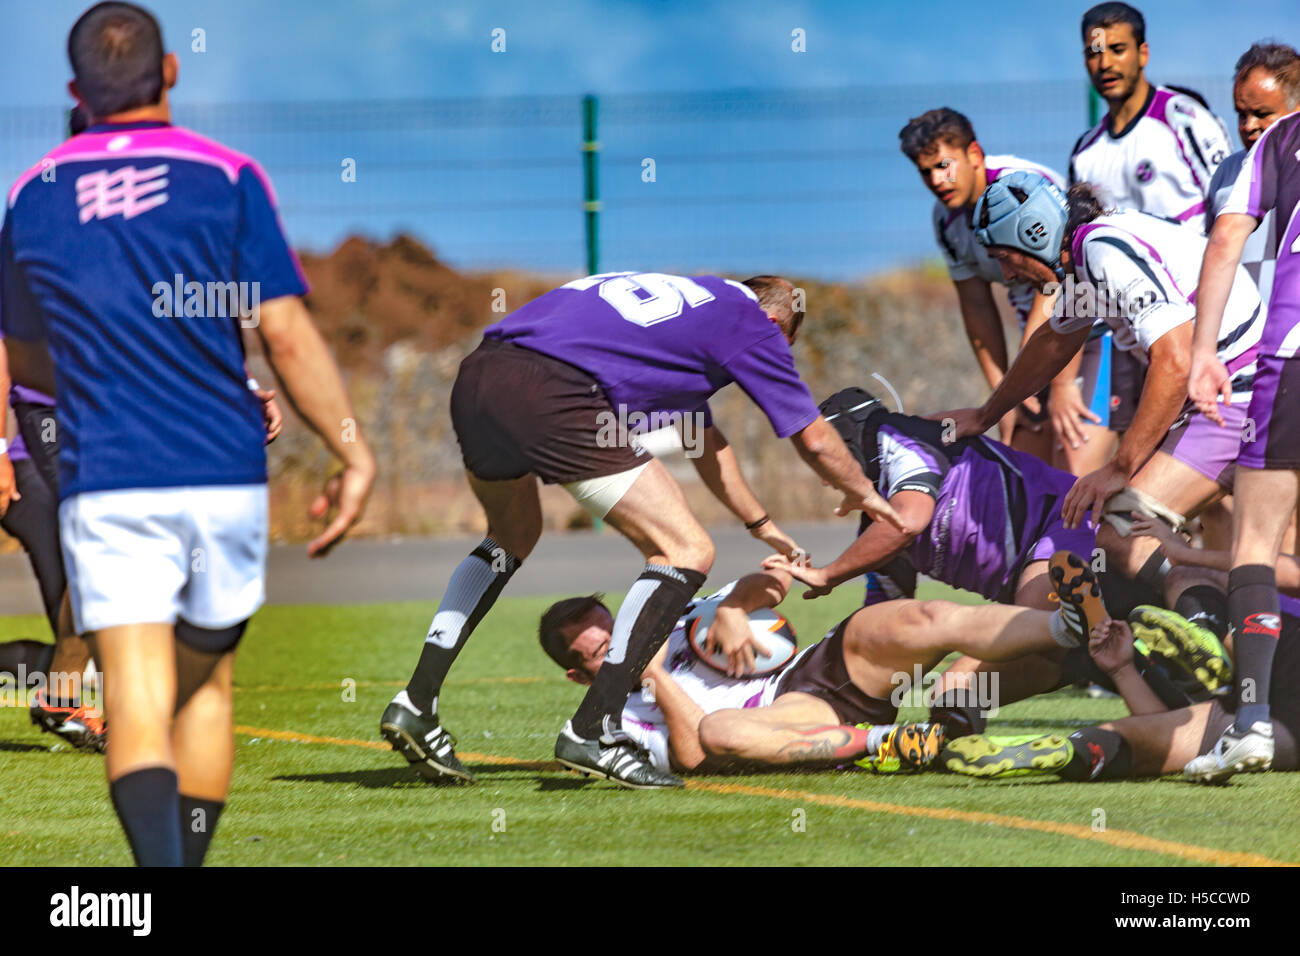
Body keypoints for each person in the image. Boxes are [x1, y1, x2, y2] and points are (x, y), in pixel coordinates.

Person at [1, 2, 374, 866]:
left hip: (106, 476)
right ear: (170, 74)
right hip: (219, 471)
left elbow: (22, 355)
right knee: (204, 693)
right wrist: (352, 451)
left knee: (134, 695)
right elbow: (283, 329)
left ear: (74, 91)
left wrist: (107, 380)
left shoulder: (32, 194)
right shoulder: (228, 175)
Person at [380, 269, 904, 790]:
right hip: (558, 390)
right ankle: (594, 729)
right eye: (783, 344)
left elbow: (703, 438)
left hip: (480, 377)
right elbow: (811, 436)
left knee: (509, 538)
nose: (774, 355)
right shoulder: (755, 322)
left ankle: (417, 702)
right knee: (685, 550)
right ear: (775, 322)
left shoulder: (690, 306)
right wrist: (865, 493)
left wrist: (761, 524)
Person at [939, 172, 1264, 623]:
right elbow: (1055, 341)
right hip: (1242, 388)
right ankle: (1227, 635)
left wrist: (1119, 467)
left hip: (1241, 390)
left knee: (1120, 530)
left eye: (1005, 258)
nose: (1007, 274)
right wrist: (987, 412)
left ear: (1034, 232)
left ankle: (1209, 629)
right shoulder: (1086, 259)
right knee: (1237, 543)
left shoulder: (1101, 251)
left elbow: (1173, 360)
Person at [539, 563, 1107, 774]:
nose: (619, 648)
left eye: (616, 633)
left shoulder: (673, 615)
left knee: (921, 617)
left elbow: (777, 579)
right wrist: (655, 677)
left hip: (825, 663)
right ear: (579, 676)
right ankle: (897, 740)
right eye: (599, 652)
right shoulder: (612, 721)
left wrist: (736, 606)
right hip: (791, 715)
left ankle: (1068, 627)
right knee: (719, 730)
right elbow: (691, 756)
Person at [1180, 106, 1300, 781]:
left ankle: (1250, 722)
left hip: (1289, 356)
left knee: (1255, 546)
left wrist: (1205, 352)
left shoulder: (1283, 136)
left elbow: (1227, 236)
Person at [898, 108, 1109, 473]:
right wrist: (1002, 394)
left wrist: (1047, 384)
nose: (936, 179)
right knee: (1024, 470)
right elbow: (977, 307)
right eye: (925, 171)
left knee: (1073, 471)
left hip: (1089, 330)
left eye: (943, 165)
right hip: (1042, 342)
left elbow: (1055, 283)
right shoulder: (945, 220)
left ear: (974, 155)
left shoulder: (1020, 187)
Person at [1069, 2, 1232, 459]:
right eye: (1093, 53)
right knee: (1097, 466)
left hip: (1199, 320)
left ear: (1143, 53)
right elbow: (1079, 262)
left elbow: (1233, 209)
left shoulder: (1181, 117)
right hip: (1126, 330)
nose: (1105, 63)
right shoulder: (1085, 153)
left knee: (1210, 470)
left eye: (1117, 49)